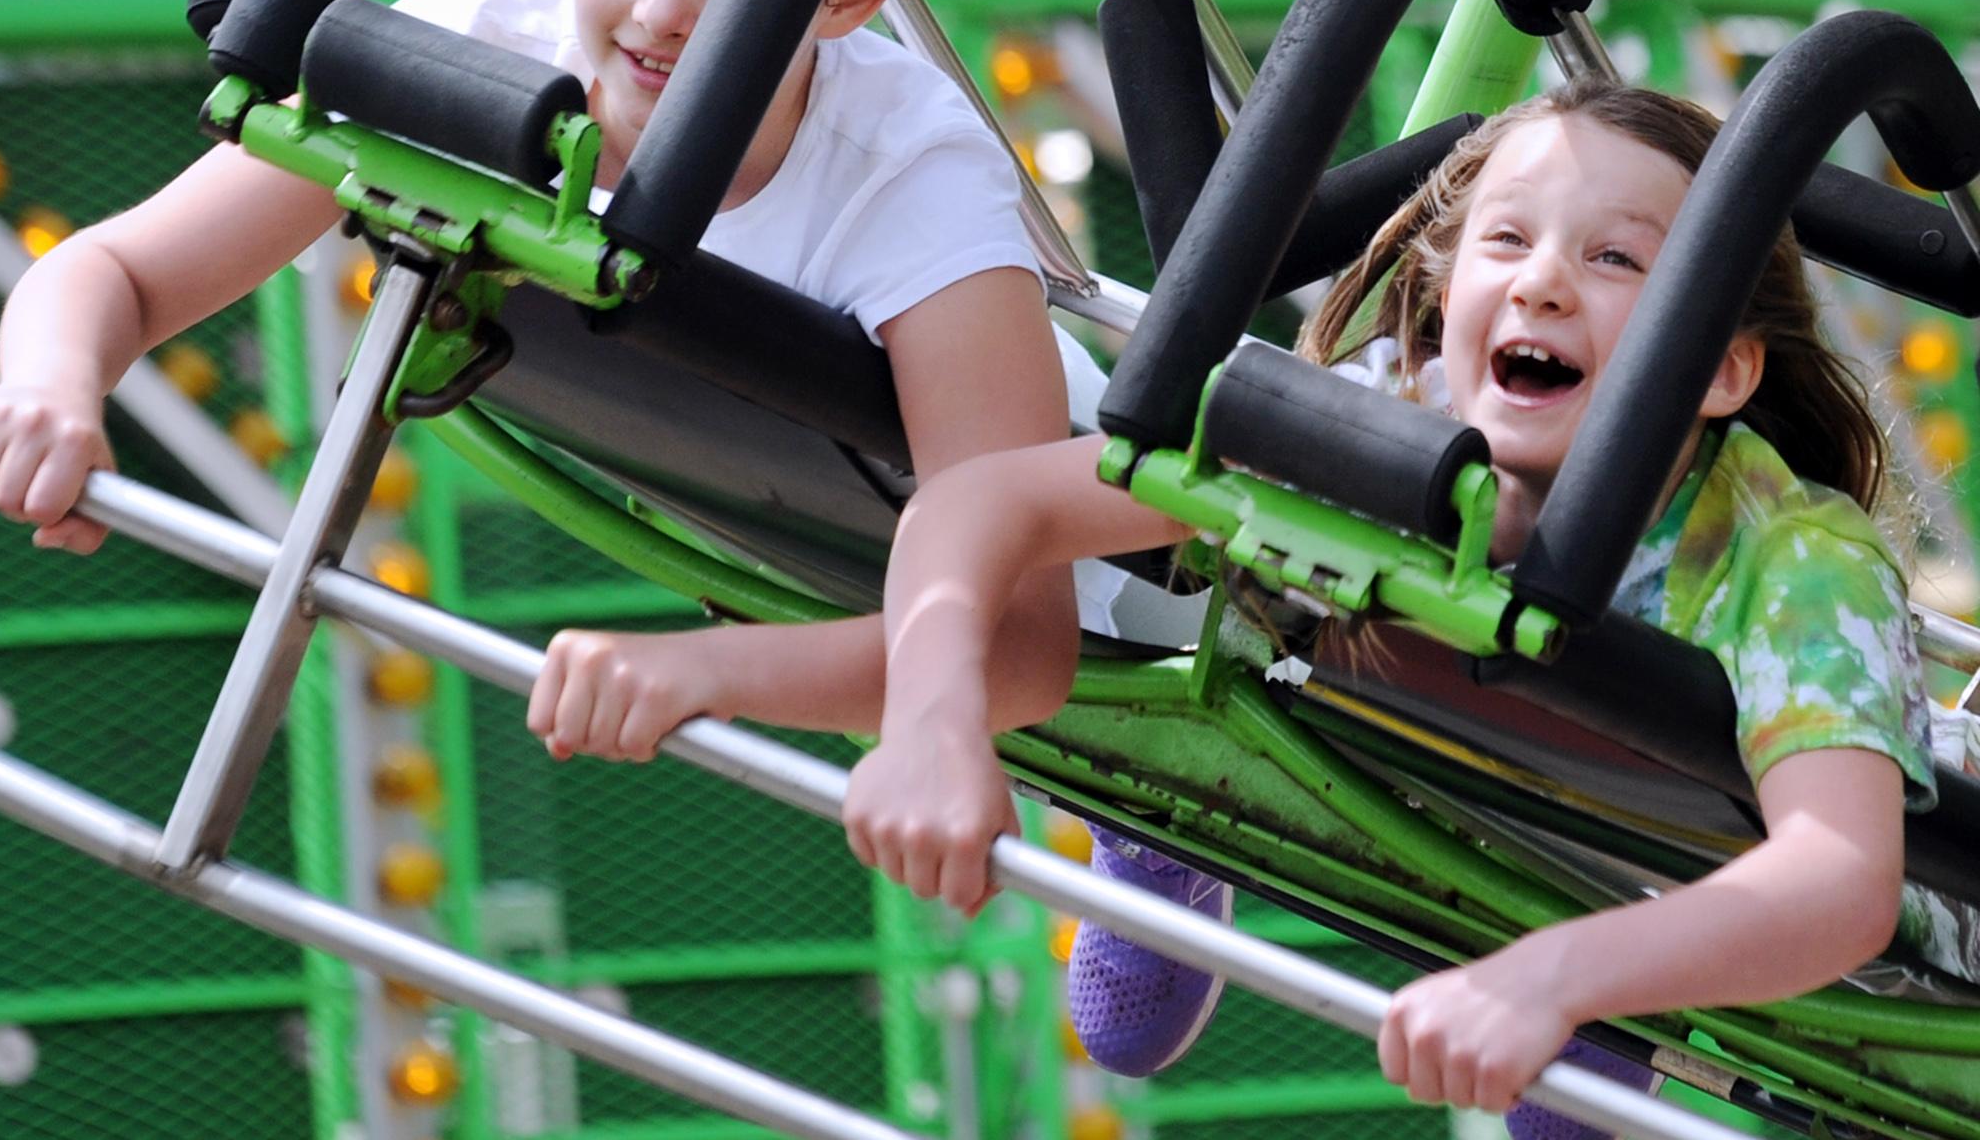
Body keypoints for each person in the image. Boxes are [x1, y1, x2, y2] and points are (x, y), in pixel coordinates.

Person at [843, 75, 1971, 1131]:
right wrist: (931, 718)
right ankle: (1183, 807)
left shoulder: (1796, 559)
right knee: (1222, 572)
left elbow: (1840, 882)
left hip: (1822, 920)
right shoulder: (1387, 414)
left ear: (1723, 368)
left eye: (1615, 257)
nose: (1540, 281)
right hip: (1484, 786)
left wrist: (1552, 977)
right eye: (1506, 240)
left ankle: (1579, 994)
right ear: (1444, 288)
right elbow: (985, 504)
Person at [0, 0, 1081, 756]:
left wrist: (711, 672)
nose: (662, 11)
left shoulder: (907, 169)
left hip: (1091, 616)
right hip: (806, 554)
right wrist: (52, 390)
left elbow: (1027, 644)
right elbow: (119, 269)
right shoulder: (487, 40)